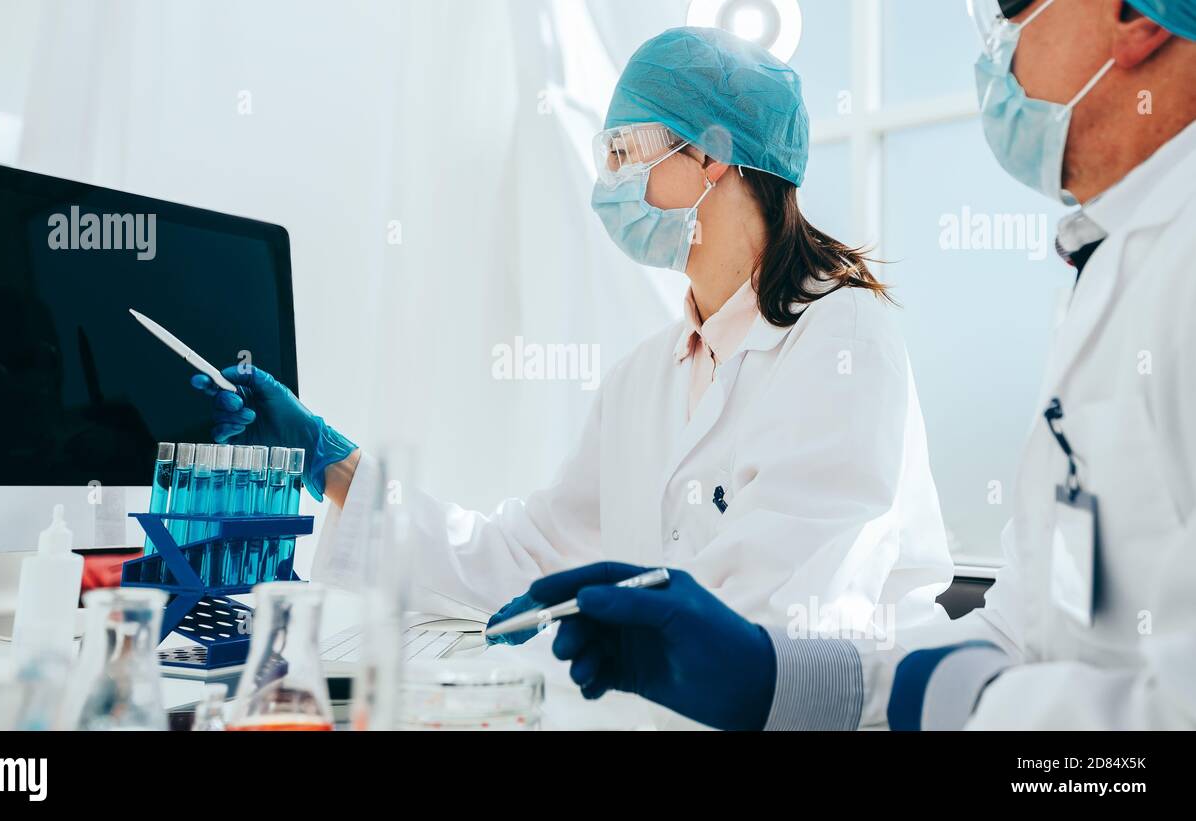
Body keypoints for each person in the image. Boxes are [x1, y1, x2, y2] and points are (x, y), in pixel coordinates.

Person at [530, 0, 1196, 731]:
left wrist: (946, 704)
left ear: (1138, 16)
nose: (997, 45)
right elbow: (1025, 631)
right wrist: (780, 677)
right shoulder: (1117, 266)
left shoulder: (1173, 270)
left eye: (1015, 6)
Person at [193, 28, 953, 651]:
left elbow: (781, 613)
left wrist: (585, 631)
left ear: (712, 155)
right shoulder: (645, 377)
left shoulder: (843, 340)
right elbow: (516, 555)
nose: (610, 184)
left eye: (626, 153)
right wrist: (327, 458)